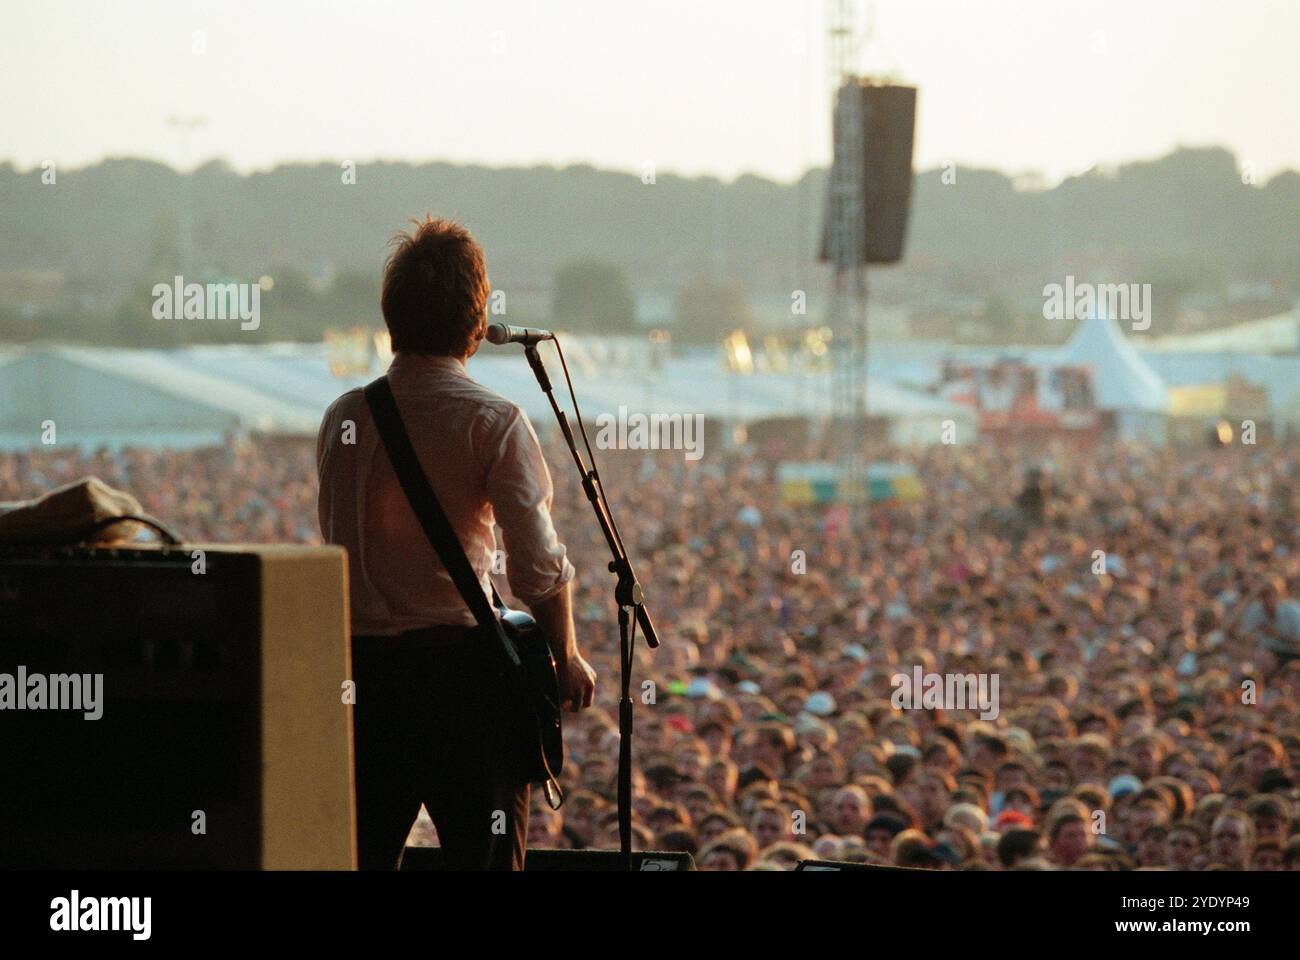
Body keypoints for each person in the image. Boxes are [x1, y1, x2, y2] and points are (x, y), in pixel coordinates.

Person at [317, 216, 597, 870]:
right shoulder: (492, 421)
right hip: (461, 681)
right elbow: (537, 570)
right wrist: (567, 657)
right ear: (477, 320)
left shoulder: (343, 417)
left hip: (361, 680)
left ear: (392, 316)